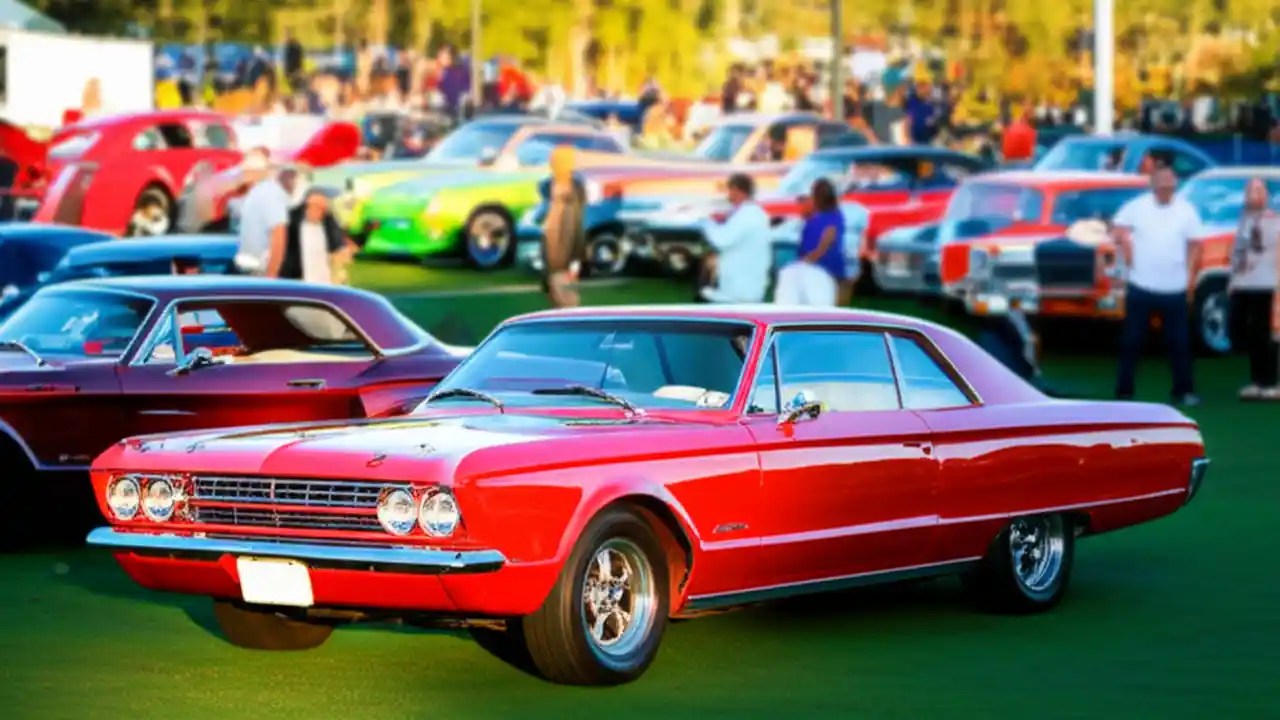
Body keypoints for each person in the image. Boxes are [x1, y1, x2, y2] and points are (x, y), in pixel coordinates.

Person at [1110, 165, 1204, 406]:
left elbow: (1195, 245)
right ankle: (1124, 391)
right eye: (1161, 186)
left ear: (1175, 186)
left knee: (1180, 343)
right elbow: (1117, 229)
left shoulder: (1187, 210)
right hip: (1141, 285)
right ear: (1153, 185)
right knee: (1132, 340)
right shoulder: (1137, 207)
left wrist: (1190, 278)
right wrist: (1125, 246)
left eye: (1169, 186)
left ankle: (1183, 390)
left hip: (1174, 287)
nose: (1165, 190)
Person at [1229, 177, 1280, 400]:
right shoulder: (1243, 220)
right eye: (1251, 190)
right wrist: (1232, 280)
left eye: (1259, 190)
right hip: (1244, 283)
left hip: (1267, 282)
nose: (1255, 195)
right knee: (1247, 332)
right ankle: (1256, 380)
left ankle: (1270, 382)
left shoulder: (1273, 219)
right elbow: (1238, 251)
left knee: (1265, 334)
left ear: (1266, 195)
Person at [696, 173, 771, 304]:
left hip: (740, 289)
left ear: (738, 191)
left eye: (730, 190)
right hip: (745, 283)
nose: (728, 195)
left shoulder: (747, 215)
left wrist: (706, 222)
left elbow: (721, 240)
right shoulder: (754, 213)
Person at [774, 179, 845, 306]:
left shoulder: (831, 217)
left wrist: (812, 257)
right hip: (808, 264)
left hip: (820, 266)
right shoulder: (816, 216)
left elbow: (827, 239)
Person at [540, 145, 587, 309]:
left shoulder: (576, 187)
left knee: (567, 292)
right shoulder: (547, 185)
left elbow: (577, 219)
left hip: (568, 244)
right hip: (554, 242)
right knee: (556, 287)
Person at [279, 190, 354, 284]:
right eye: (319, 208)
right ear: (307, 206)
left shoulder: (328, 221)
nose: (323, 212)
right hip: (297, 280)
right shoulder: (291, 222)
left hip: (323, 280)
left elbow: (338, 247)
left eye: (324, 209)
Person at [235, 152, 291, 277]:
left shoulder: (270, 193)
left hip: (262, 271)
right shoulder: (256, 193)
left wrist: (271, 275)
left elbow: (278, 232)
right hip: (252, 270)